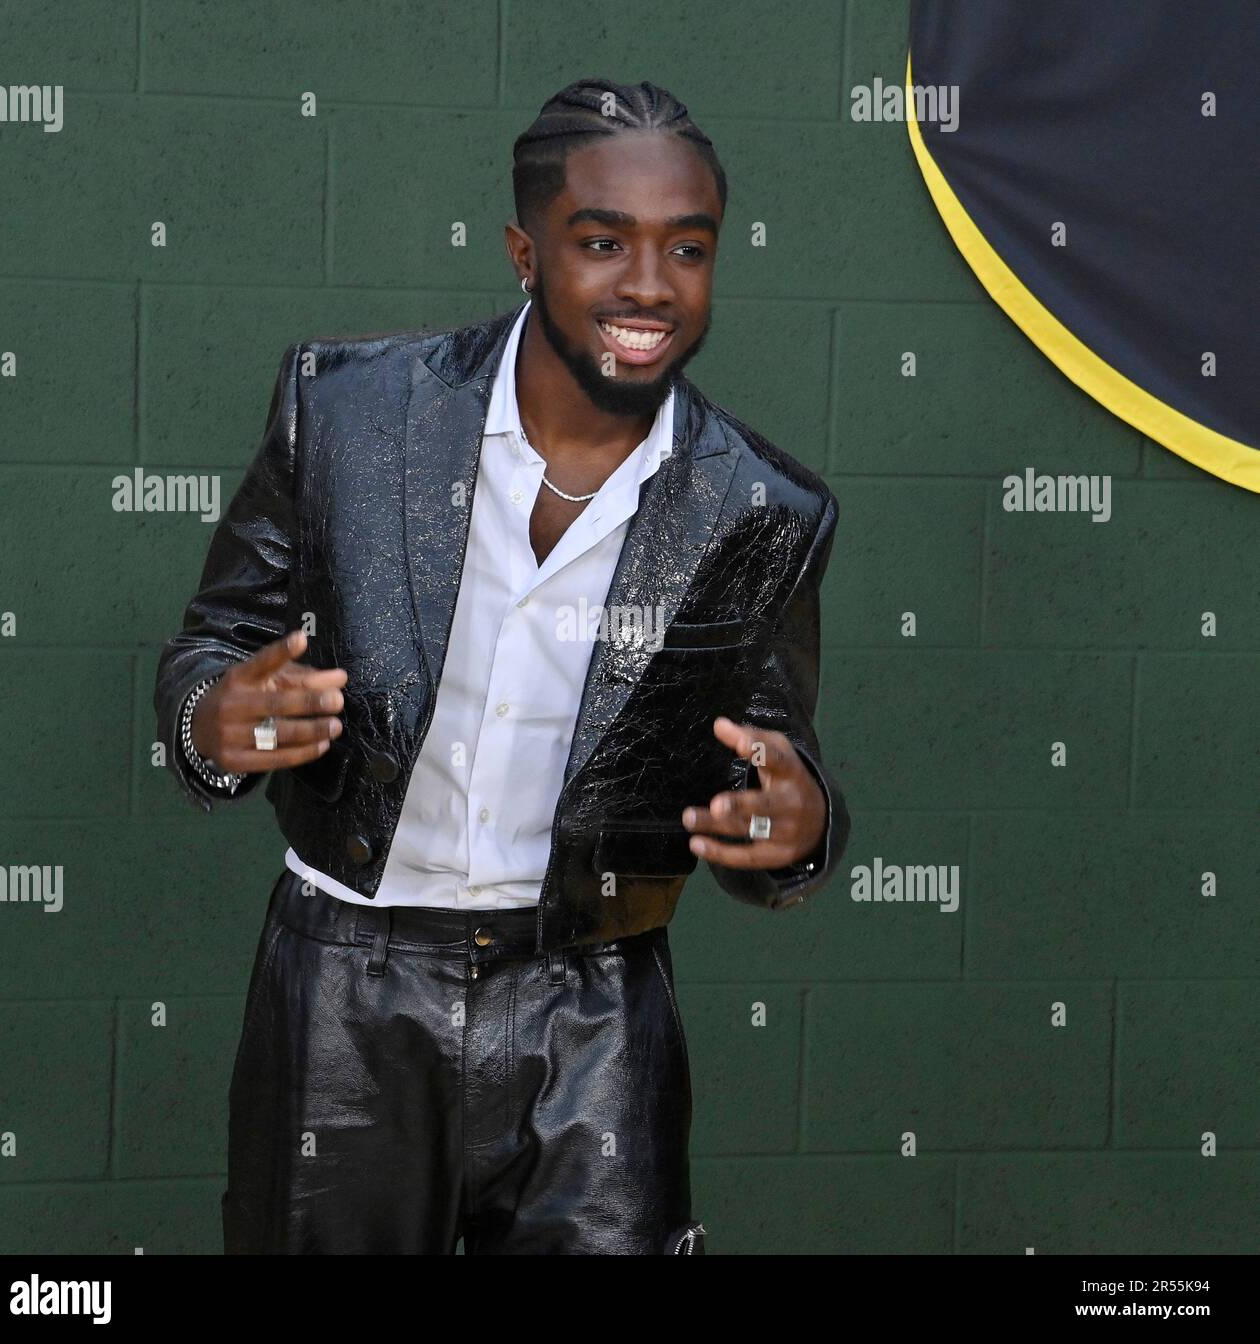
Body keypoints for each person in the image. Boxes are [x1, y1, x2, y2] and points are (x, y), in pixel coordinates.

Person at [154, 77, 849, 1255]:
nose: (647, 285)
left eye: (687, 248)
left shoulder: (762, 510)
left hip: (596, 1006)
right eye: (601, 242)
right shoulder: (346, 413)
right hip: (346, 990)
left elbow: (778, 772)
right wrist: (213, 718)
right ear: (526, 252)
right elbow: (209, 654)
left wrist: (796, 828)